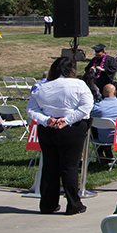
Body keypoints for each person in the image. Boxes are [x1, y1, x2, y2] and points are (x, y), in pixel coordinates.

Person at [27, 56, 94, 215]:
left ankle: (47, 204)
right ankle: (73, 204)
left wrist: (47, 120)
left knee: (49, 167)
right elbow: (86, 107)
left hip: (48, 128)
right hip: (72, 128)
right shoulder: (78, 84)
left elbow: (31, 109)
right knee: (69, 167)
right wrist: (66, 120)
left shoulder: (41, 86)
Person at [90, 84, 117, 164]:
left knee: (100, 127)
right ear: (115, 93)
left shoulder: (97, 107)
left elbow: (91, 117)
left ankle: (107, 155)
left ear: (102, 93)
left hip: (102, 138)